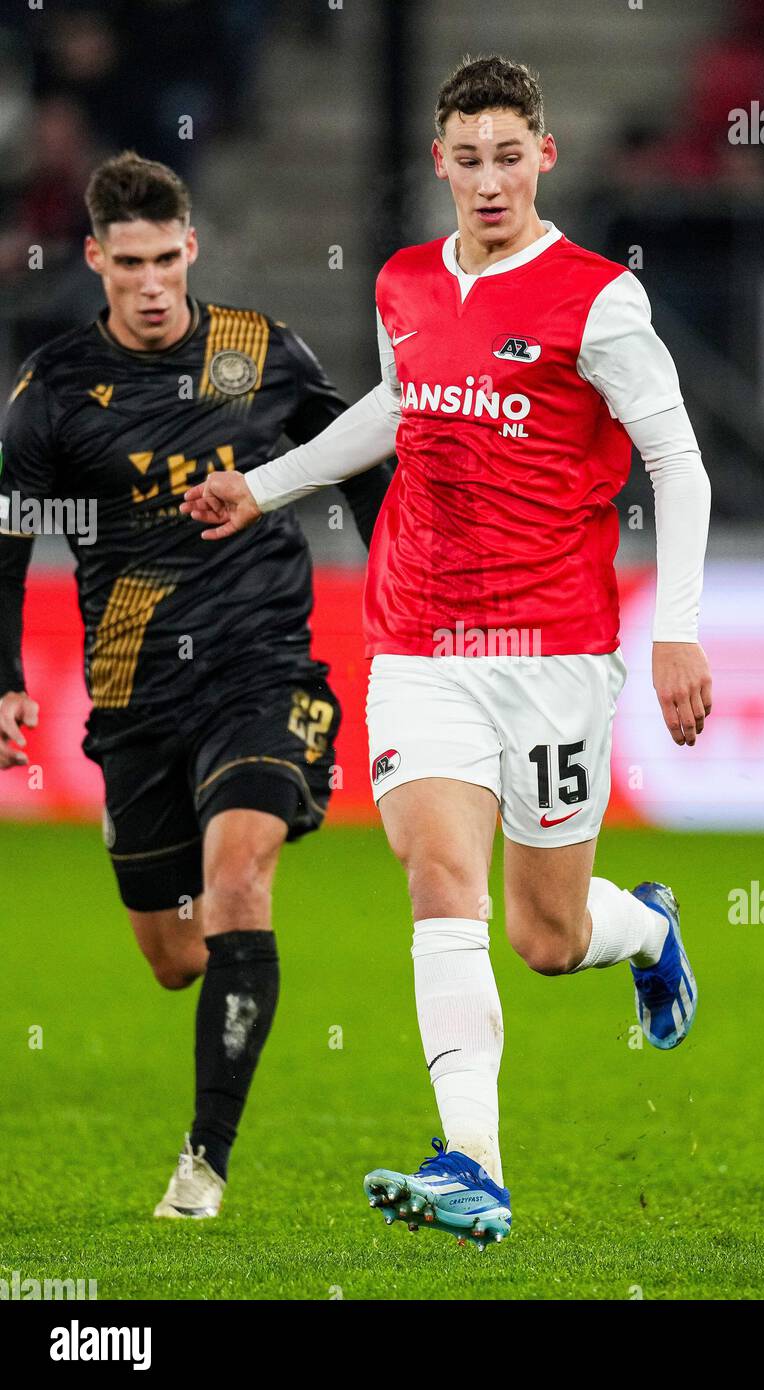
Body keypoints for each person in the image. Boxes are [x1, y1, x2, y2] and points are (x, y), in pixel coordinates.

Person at [181, 56, 712, 1250]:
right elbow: (396, 403)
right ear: (438, 163)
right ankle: (473, 1161)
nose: (486, 179)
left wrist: (676, 624)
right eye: (464, 159)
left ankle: (647, 931)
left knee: (546, 936)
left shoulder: (595, 300)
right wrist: (262, 489)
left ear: (542, 157)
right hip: (418, 636)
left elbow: (676, 464)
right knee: (437, 882)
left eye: (505, 156)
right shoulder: (404, 282)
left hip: (557, 650)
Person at [0, 151, 390, 1219]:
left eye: (168, 258)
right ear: (94, 259)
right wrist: (1, 678)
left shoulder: (260, 352)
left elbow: (358, 455)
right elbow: (9, 536)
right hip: (133, 702)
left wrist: (404, 590)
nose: (153, 282)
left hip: (262, 670)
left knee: (238, 885)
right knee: (176, 957)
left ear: (192, 249)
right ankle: (189, 876)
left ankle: (203, 1163)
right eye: (130, 263)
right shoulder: (54, 392)